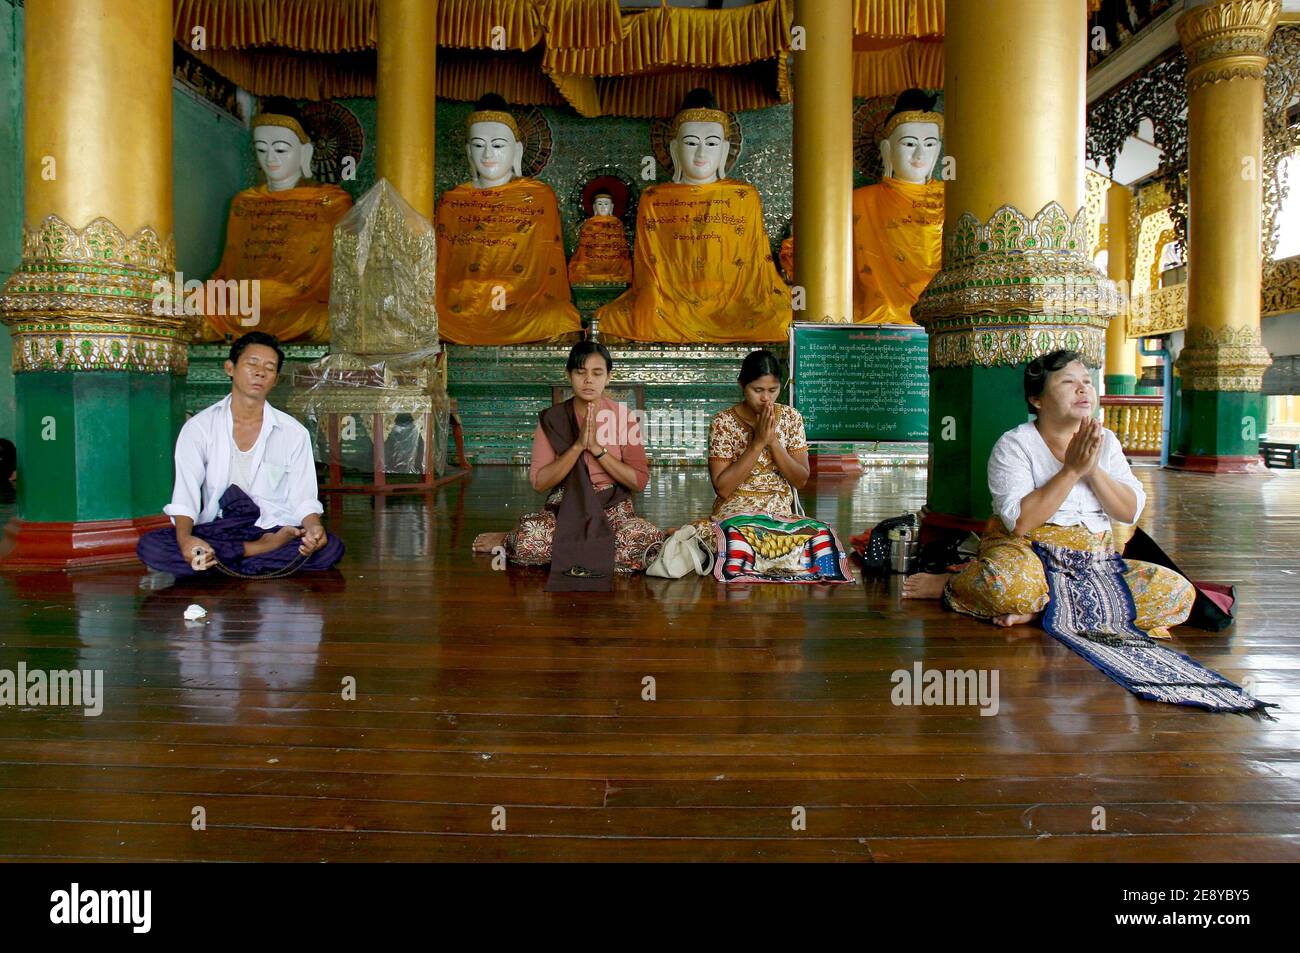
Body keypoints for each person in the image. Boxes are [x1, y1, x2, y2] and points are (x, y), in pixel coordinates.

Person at [903, 350, 1193, 637]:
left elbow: (1128, 511)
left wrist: (1092, 469)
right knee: (1009, 587)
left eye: (1087, 381)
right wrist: (1071, 470)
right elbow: (1021, 523)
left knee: (1177, 593)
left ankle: (1040, 611)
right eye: (1068, 382)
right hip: (1026, 553)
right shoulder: (1015, 445)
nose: (1083, 388)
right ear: (1036, 399)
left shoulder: (1106, 442)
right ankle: (952, 584)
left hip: (1093, 562)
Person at [137, 331, 344, 578]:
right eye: (252, 363)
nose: (260, 372)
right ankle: (259, 554)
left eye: (269, 367)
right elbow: (186, 494)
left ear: (275, 379)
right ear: (230, 368)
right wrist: (185, 541)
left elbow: (303, 498)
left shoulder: (293, 432)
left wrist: (314, 530)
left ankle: (225, 563)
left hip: (273, 527)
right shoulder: (199, 428)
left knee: (329, 548)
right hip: (220, 528)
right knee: (151, 546)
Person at [479, 341, 664, 591]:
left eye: (597, 373)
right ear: (569, 375)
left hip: (612, 507)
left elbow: (639, 481)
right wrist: (577, 446)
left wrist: (598, 450)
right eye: (580, 372)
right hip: (567, 506)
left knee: (644, 541)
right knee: (529, 541)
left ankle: (572, 549)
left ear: (608, 377)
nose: (588, 380)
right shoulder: (552, 419)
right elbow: (540, 482)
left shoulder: (625, 418)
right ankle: (512, 538)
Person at [705, 349, 810, 523]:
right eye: (758, 390)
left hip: (779, 513)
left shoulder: (791, 418)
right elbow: (722, 489)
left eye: (773, 390)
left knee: (824, 539)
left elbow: (800, 481)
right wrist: (758, 443)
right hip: (735, 513)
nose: (766, 398)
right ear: (742, 385)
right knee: (741, 543)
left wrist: (773, 442)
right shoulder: (723, 422)